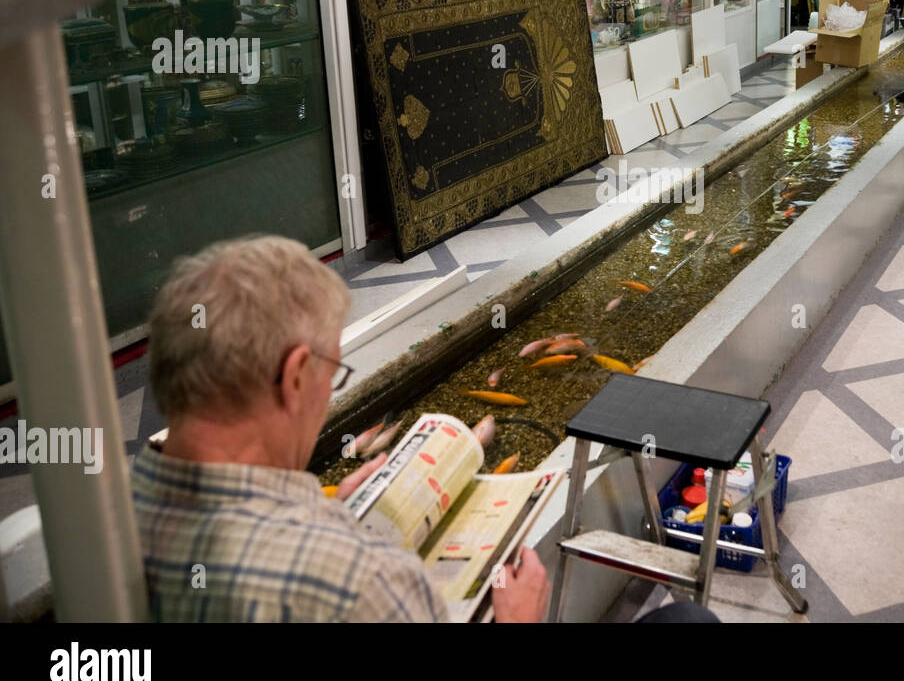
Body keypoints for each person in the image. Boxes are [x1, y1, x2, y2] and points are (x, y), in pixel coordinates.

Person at [133, 235, 716, 622]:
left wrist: (335, 509)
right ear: (293, 378)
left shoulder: (96, 537)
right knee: (688, 618)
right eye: (332, 373)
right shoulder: (363, 585)